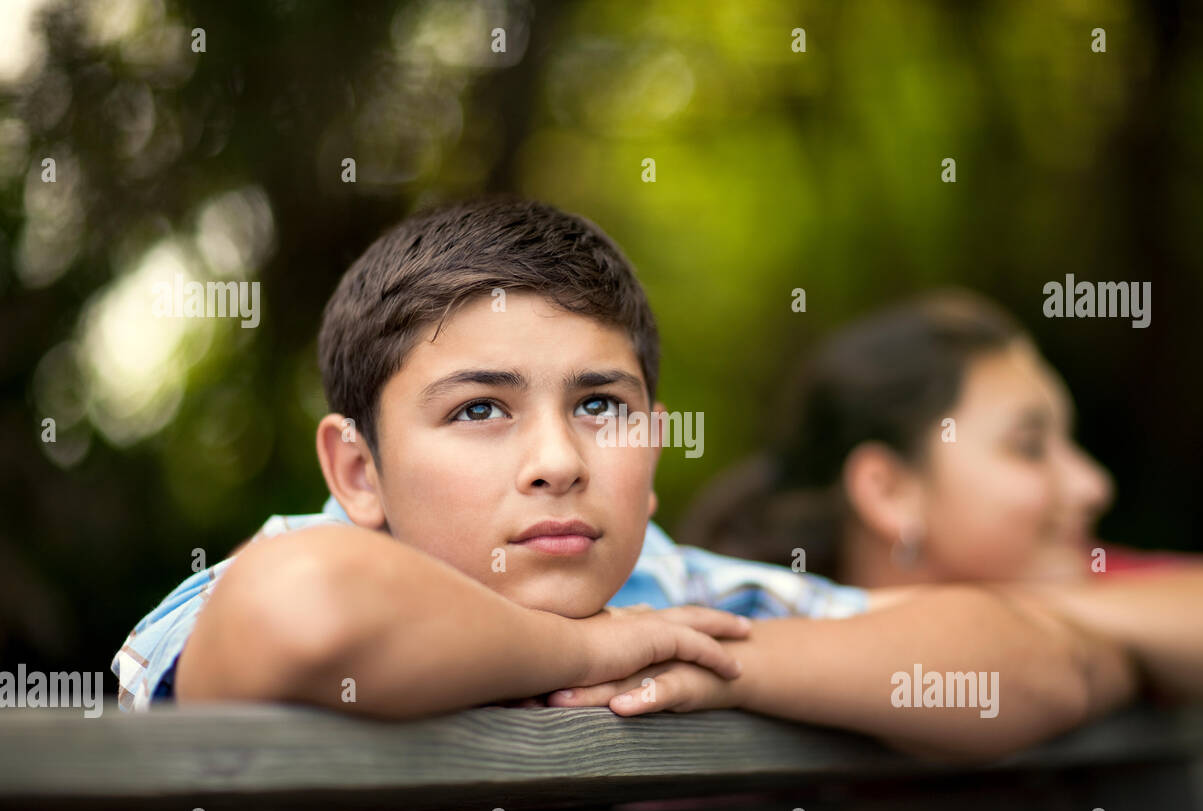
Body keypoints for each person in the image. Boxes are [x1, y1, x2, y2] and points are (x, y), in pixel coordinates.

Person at [113, 200, 1138, 762]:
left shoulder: (669, 595)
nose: (559, 458)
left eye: (601, 404)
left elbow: (1043, 665)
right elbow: (305, 613)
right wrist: (582, 647)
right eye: (480, 409)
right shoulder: (285, 570)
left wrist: (731, 664)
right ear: (357, 470)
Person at [673, 288, 1203, 705]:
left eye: (1069, 442)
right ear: (889, 491)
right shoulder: (751, 619)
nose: (1092, 485)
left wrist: (1001, 612)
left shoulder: (1073, 583)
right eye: (1030, 446)